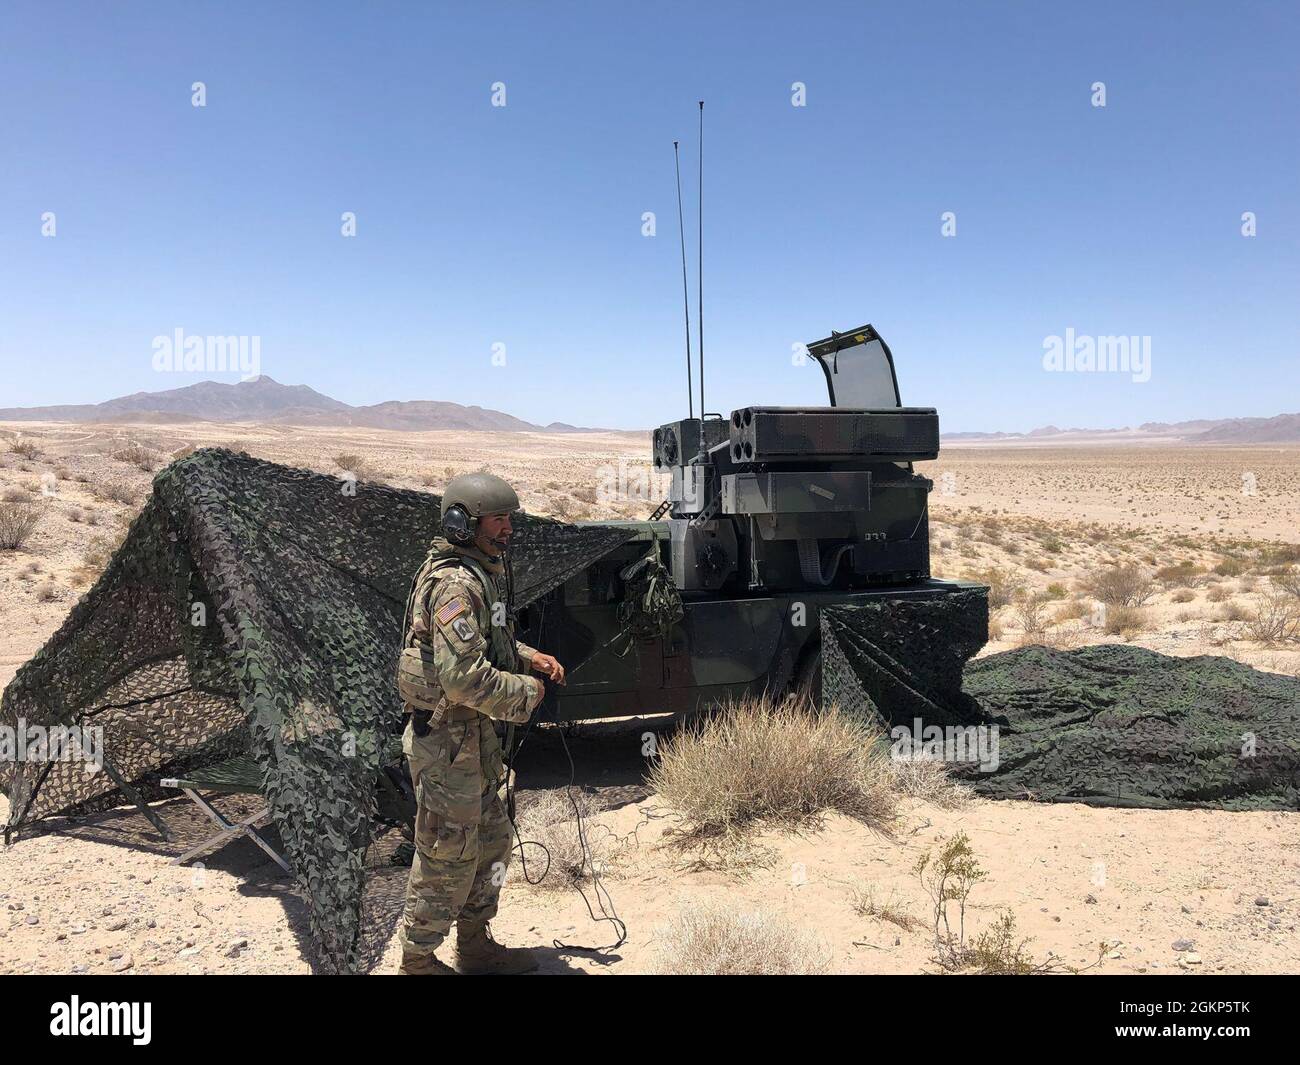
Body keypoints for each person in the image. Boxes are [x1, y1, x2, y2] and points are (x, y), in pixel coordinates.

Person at [395, 472, 566, 975]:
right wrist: (527, 694)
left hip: (475, 741)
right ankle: (418, 961)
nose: (507, 528)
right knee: (445, 852)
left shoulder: (480, 574)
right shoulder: (454, 584)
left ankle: (475, 945)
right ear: (463, 522)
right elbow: (464, 679)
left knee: (491, 840)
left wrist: (529, 656)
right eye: (497, 519)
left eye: (509, 518)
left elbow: (486, 643)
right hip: (447, 744)